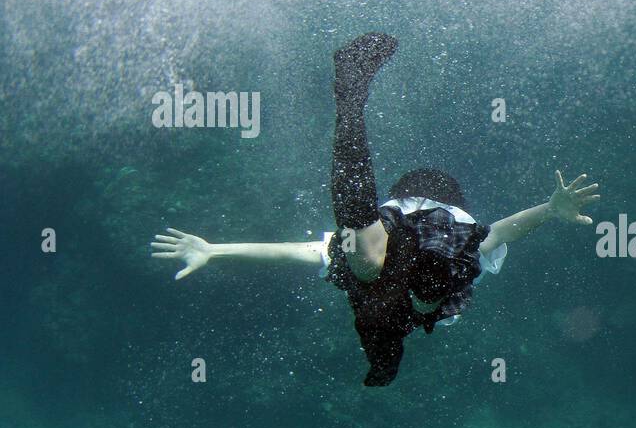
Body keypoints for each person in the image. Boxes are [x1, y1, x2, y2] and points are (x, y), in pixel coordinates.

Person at [151, 32, 600, 386]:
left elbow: (297, 252)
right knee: (369, 264)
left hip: (408, 225)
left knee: (366, 261)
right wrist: (549, 209)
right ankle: (350, 100)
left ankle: (350, 102)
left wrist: (213, 250)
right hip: (428, 220)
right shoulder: (463, 257)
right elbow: (503, 230)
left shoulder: (448, 268)